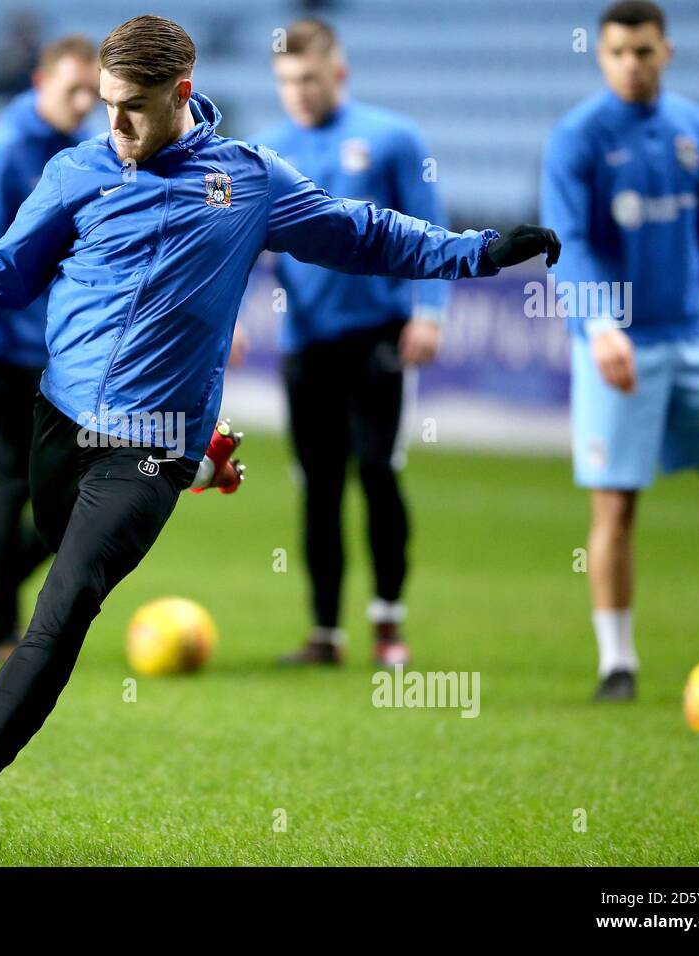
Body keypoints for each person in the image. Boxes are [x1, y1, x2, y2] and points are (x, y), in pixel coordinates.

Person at [0, 14, 558, 845]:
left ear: (182, 93)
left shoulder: (248, 181)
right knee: (40, 538)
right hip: (61, 420)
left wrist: (477, 253)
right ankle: (206, 463)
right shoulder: (76, 171)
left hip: (152, 444)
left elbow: (362, 232)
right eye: (106, 104)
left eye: (132, 108)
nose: (114, 125)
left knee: (66, 599)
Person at [542, 0, 699, 701]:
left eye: (644, 51)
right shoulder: (576, 137)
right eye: (618, 53)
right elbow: (567, 245)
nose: (631, 64)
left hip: (694, 335)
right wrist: (601, 327)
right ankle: (617, 663)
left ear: (666, 51)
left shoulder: (695, 127)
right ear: (601, 57)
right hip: (617, 342)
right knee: (617, 506)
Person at [256, 19, 449, 668]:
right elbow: (239, 247)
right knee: (317, 485)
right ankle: (324, 633)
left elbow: (432, 229)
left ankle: (389, 623)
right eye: (286, 81)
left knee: (376, 471)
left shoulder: (392, 139)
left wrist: (432, 312)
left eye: (309, 78)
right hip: (306, 343)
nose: (298, 92)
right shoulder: (264, 153)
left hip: (379, 338)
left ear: (337, 74)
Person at [0, 35, 100, 664]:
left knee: (72, 491)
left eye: (90, 94)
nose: (82, 103)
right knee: (13, 482)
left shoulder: (79, 154)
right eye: (71, 89)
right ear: (40, 80)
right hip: (8, 352)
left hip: (59, 354)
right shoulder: (3, 151)